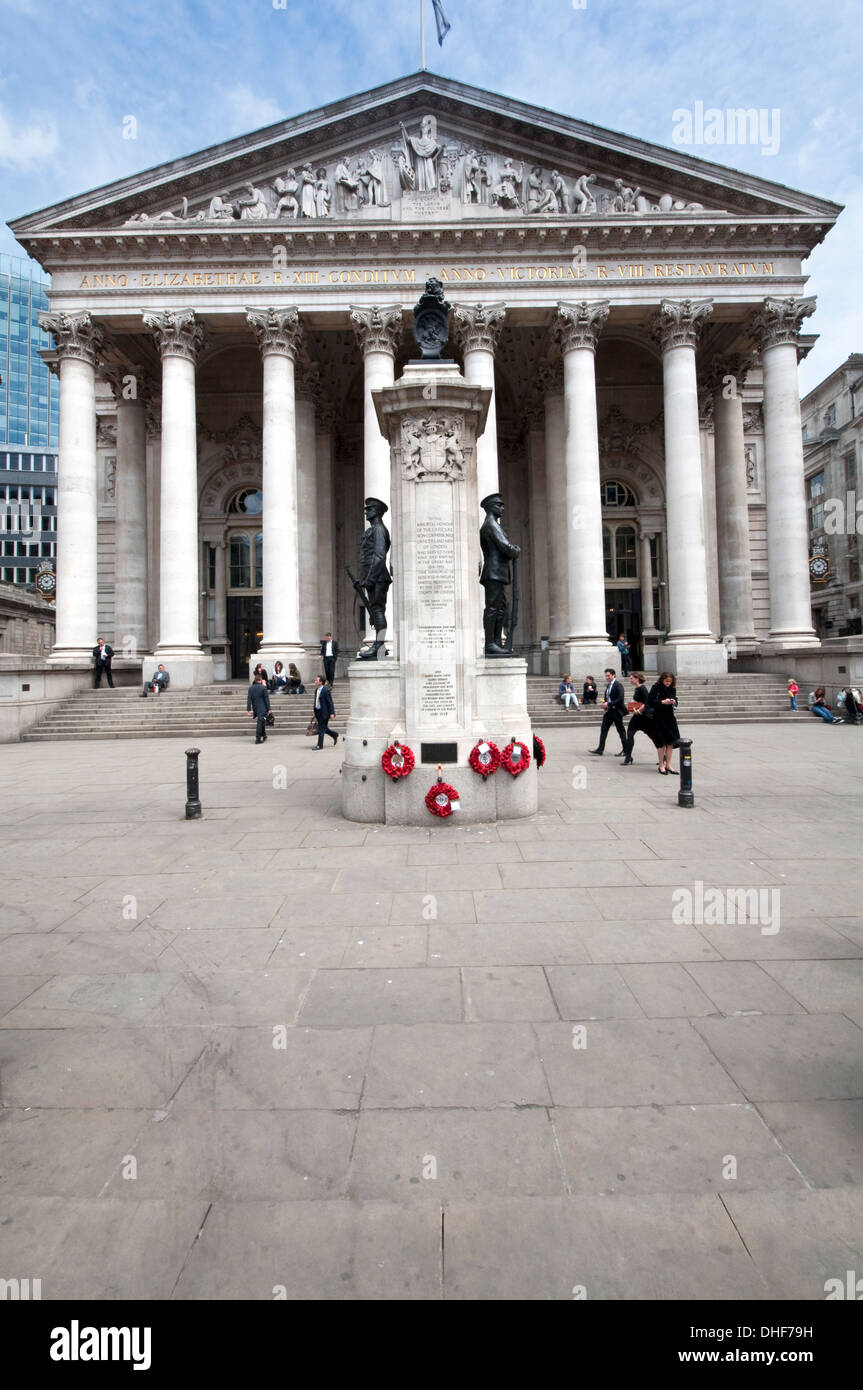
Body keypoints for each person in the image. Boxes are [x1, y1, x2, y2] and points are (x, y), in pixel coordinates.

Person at [479, 493, 520, 656]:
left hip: (498, 573)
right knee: (493, 608)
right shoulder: (490, 525)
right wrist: (514, 549)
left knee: (501, 608)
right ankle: (490, 643)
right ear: (491, 507)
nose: (502, 508)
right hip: (493, 573)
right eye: (499, 505)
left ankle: (496, 642)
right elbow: (505, 546)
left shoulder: (494, 524)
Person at [648, 671, 681, 774]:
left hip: (670, 717)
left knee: (670, 742)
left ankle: (668, 765)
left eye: (670, 681)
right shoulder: (656, 687)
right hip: (659, 717)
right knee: (661, 743)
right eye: (666, 681)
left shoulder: (672, 688)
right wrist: (662, 702)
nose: (668, 683)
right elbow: (650, 701)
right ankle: (661, 765)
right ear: (662, 680)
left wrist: (673, 702)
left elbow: (675, 699)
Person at [589, 668, 627, 755]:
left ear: (614, 675)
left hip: (616, 711)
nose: (607, 677)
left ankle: (625, 750)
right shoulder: (609, 685)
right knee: (603, 729)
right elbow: (608, 697)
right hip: (609, 711)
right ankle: (600, 749)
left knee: (620, 730)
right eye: (606, 676)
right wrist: (605, 704)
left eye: (608, 676)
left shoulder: (618, 685)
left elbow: (620, 699)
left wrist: (608, 703)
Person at [620, 671, 653, 765]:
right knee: (630, 734)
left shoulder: (642, 688)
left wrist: (639, 710)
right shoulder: (637, 688)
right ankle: (628, 757)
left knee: (653, 736)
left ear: (637, 679)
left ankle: (662, 755)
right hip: (637, 716)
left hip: (643, 717)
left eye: (631, 678)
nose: (630, 680)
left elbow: (647, 702)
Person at [312, 674, 338, 750]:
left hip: (324, 712)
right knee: (324, 728)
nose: (315, 681)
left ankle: (319, 745)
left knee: (321, 729)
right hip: (318, 711)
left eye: (317, 680)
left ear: (321, 682)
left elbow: (330, 702)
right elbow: (316, 701)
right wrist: (314, 712)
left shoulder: (325, 690)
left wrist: (332, 713)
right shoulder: (316, 690)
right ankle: (335, 734)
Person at [247, 674, 271, 744]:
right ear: (260, 680)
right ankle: (258, 738)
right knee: (260, 723)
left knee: (262, 721)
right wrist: (269, 709)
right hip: (262, 708)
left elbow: (249, 699)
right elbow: (267, 699)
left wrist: (248, 709)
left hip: (256, 708)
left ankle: (264, 735)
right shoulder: (263, 688)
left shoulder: (251, 688)